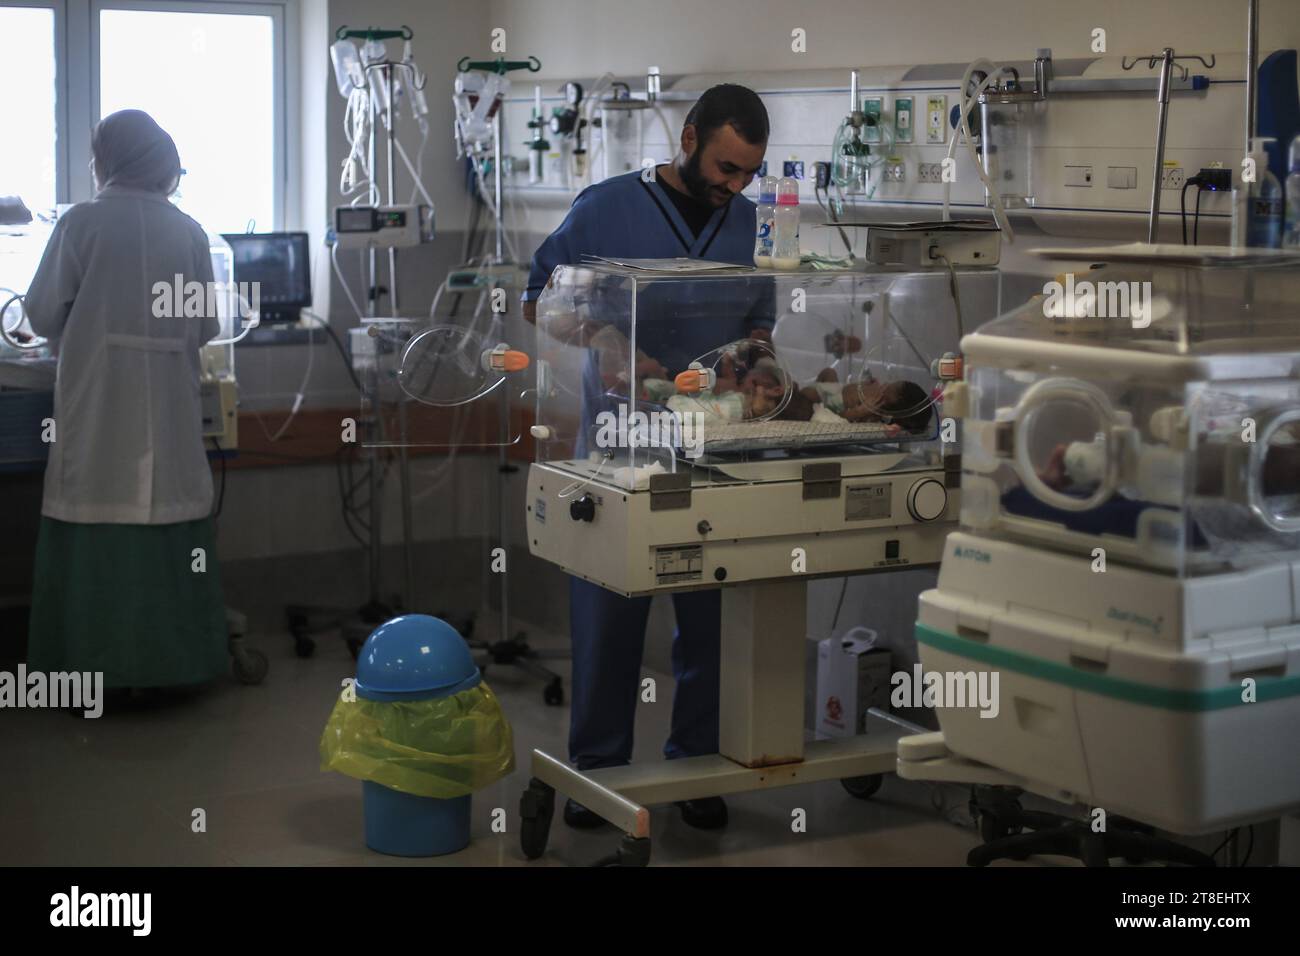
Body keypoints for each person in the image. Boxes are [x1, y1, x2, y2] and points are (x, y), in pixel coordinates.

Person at [523, 84, 770, 831]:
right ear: (689, 138)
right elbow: (541, 297)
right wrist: (603, 340)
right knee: (609, 616)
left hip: (711, 448)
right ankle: (598, 774)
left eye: (747, 175)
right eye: (725, 167)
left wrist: (757, 365)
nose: (733, 186)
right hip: (619, 448)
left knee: (712, 615)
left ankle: (697, 764)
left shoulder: (747, 223)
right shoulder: (606, 208)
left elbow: (757, 316)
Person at [24, 109, 229, 699]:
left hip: (97, 410)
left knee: (94, 515)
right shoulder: (188, 231)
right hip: (168, 411)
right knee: (170, 520)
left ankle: (85, 677)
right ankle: (178, 670)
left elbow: (39, 315)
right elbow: (207, 325)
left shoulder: (81, 224)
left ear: (106, 160)